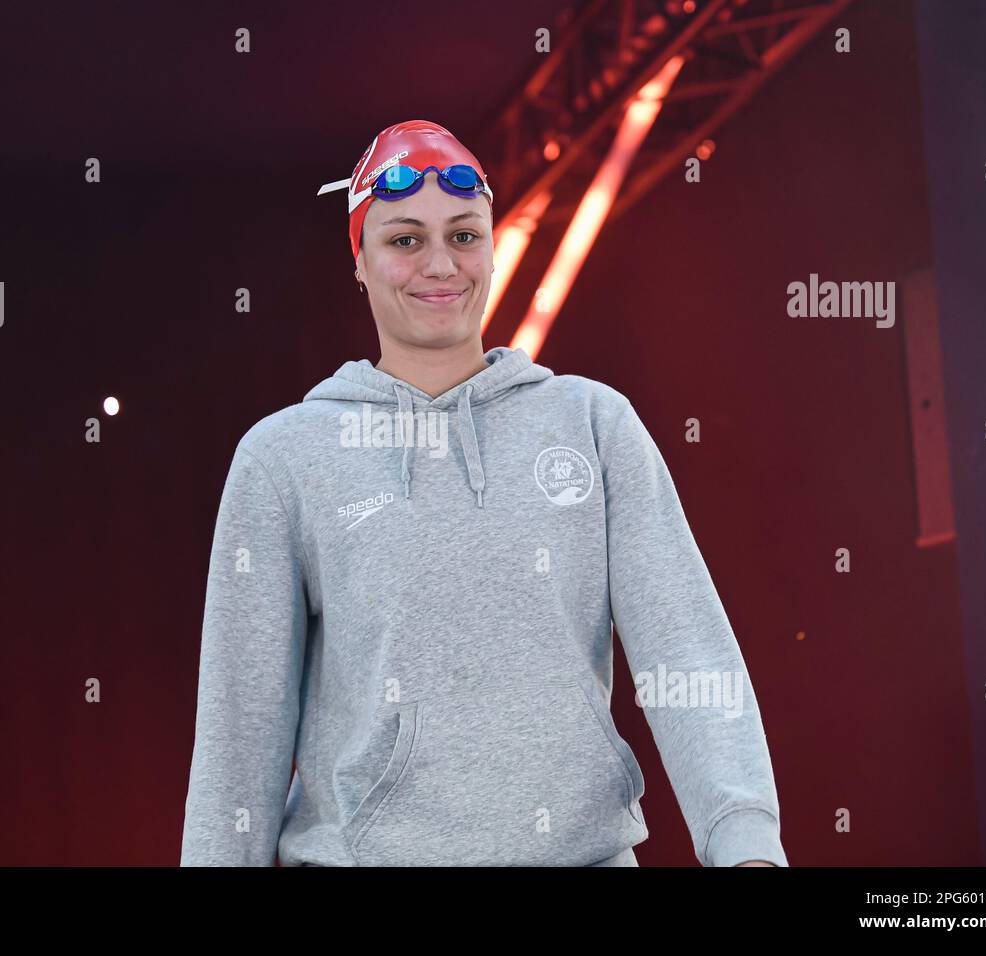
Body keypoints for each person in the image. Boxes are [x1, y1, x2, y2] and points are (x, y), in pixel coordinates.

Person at [179, 119, 787, 867]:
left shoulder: (592, 424)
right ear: (360, 261)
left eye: (464, 235)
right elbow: (242, 730)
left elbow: (688, 655)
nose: (441, 264)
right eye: (405, 239)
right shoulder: (285, 458)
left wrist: (748, 846)